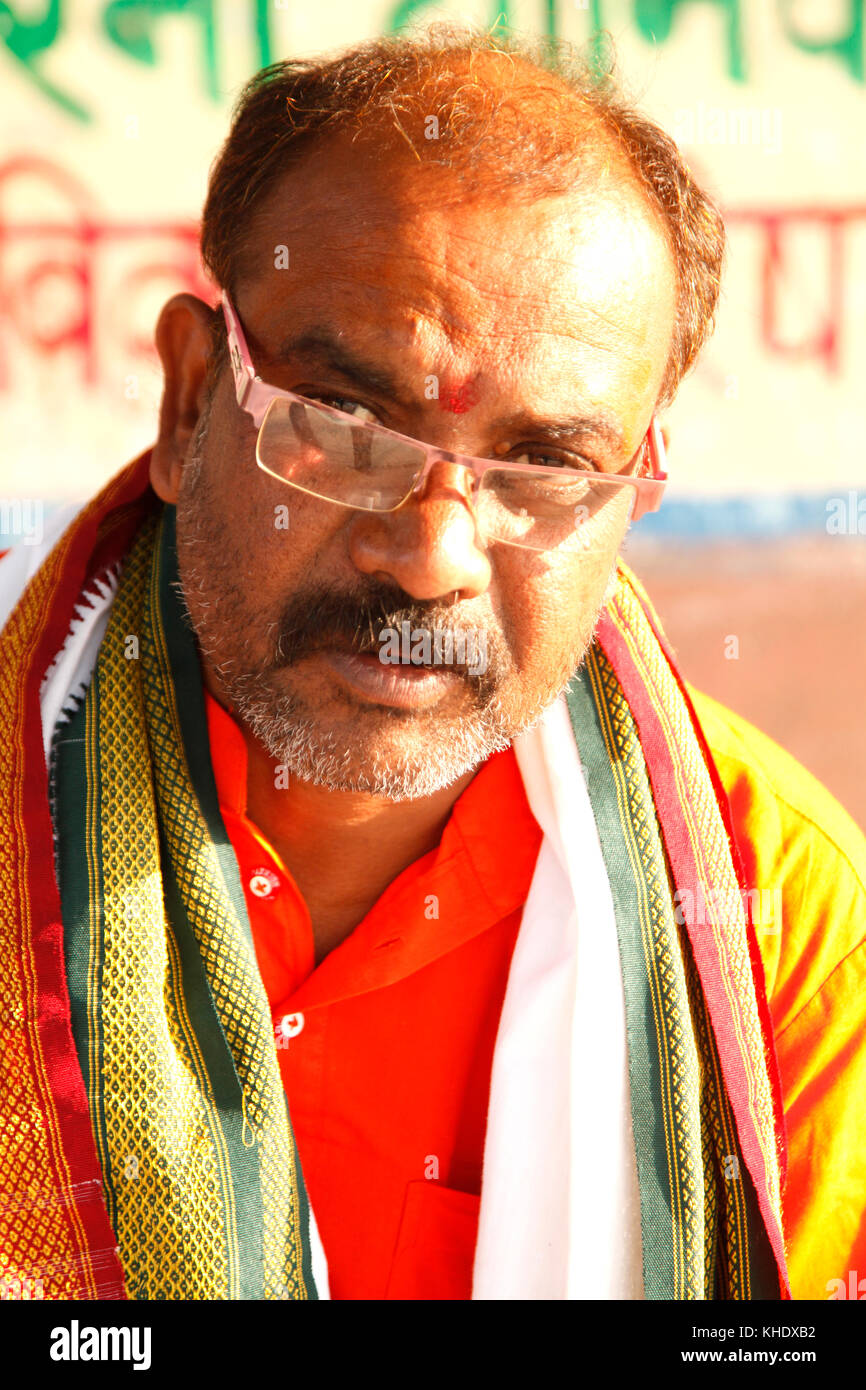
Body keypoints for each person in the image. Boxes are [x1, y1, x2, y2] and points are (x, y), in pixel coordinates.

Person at [1, 25, 864, 1304]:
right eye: (347, 422)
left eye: (548, 466)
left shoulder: (765, 922)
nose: (430, 556)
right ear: (188, 405)